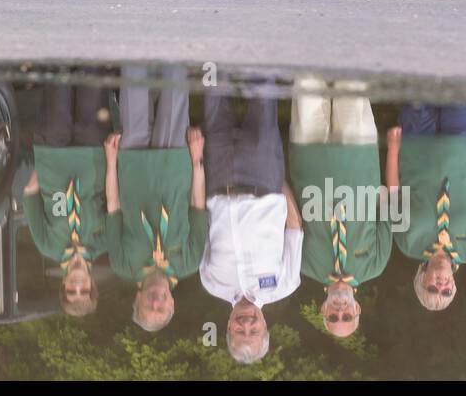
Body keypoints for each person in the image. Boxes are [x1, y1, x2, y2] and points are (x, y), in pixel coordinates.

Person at [197, 91, 301, 363]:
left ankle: (213, 48)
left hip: (218, 175)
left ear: (229, 328)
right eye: (253, 331)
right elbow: (294, 228)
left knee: (213, 93)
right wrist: (276, 178)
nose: (247, 324)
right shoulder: (286, 284)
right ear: (265, 327)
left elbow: (200, 226)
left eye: (240, 331)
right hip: (263, 175)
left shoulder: (211, 283)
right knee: (264, 95)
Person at [104, 67, 208, 330]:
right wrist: (197, 160)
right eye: (161, 308)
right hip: (174, 160)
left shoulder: (122, 264)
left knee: (133, 79)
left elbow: (113, 207)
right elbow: (197, 206)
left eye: (148, 307)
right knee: (176, 80)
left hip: (132, 163)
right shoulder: (190, 262)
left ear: (137, 299)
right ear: (172, 303)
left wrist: (111, 162)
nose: (156, 303)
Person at [287, 79, 390, 338]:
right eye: (347, 316)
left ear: (322, 309)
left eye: (334, 317)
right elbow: (387, 209)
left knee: (307, 81)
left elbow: (291, 217)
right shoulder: (375, 265)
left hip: (307, 155)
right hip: (358, 154)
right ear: (358, 307)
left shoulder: (302, 265)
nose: (340, 310)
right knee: (351, 83)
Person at [386, 105, 466, 311]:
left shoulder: (407, 245)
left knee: (419, 81)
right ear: (454, 286)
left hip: (416, 145)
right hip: (464, 144)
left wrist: (393, 151)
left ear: (421, 280)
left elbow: (395, 195)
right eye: (446, 292)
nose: (440, 287)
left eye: (431, 289)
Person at [21, 82, 114, 315]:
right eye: (84, 291)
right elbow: (113, 200)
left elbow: (31, 193)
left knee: (59, 83)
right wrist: (112, 160)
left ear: (63, 286)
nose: (78, 287)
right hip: (92, 153)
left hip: (53, 151)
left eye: (71, 292)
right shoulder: (103, 242)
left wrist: (43, 161)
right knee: (91, 81)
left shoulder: (47, 246)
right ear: (93, 285)